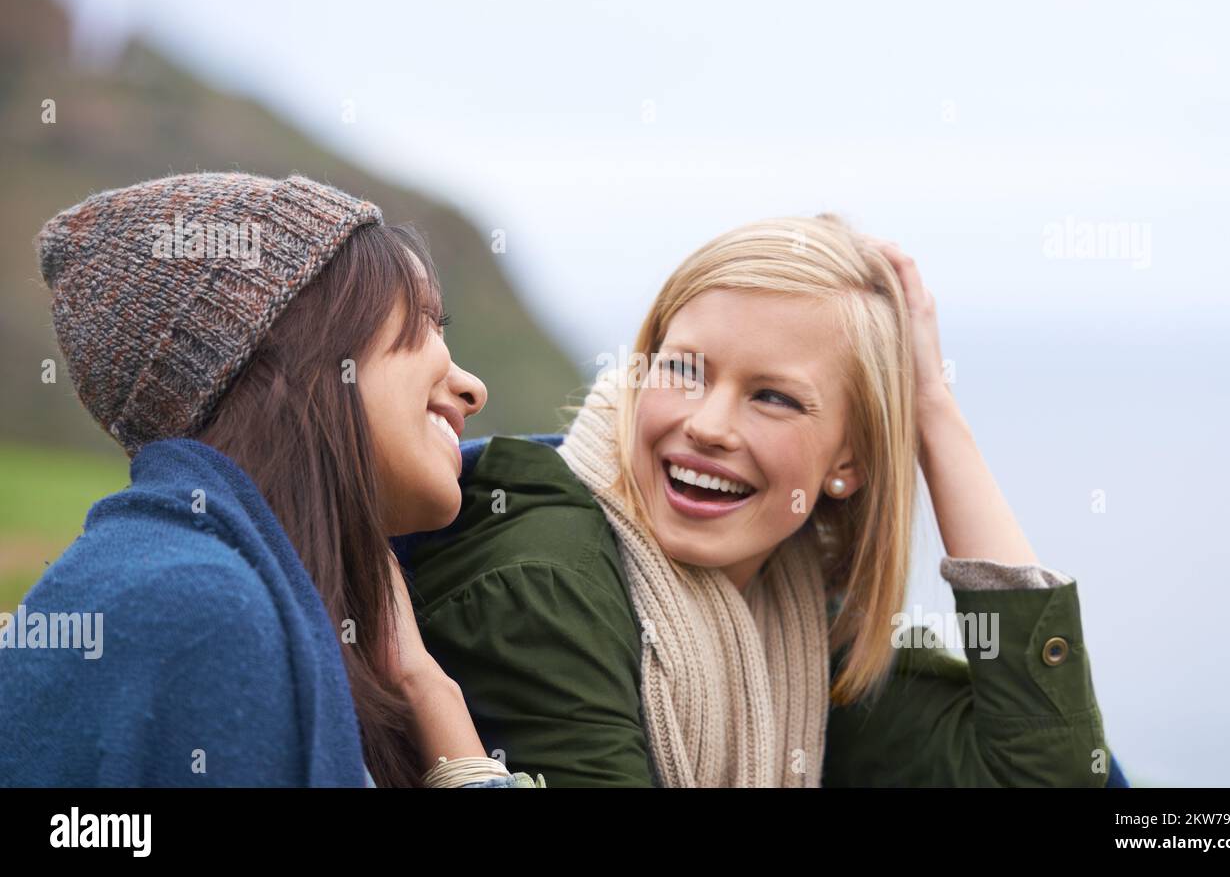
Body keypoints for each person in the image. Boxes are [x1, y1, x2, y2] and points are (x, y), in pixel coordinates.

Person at [402, 214, 1118, 787]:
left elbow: (1050, 775)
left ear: (850, 464)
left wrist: (933, 411)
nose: (708, 425)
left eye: (773, 397)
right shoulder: (540, 576)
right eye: (684, 370)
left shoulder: (799, 631)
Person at [0, 172, 539, 788]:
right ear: (301, 358)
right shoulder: (201, 614)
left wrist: (424, 685)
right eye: (421, 326)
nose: (473, 387)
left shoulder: (193, 584)